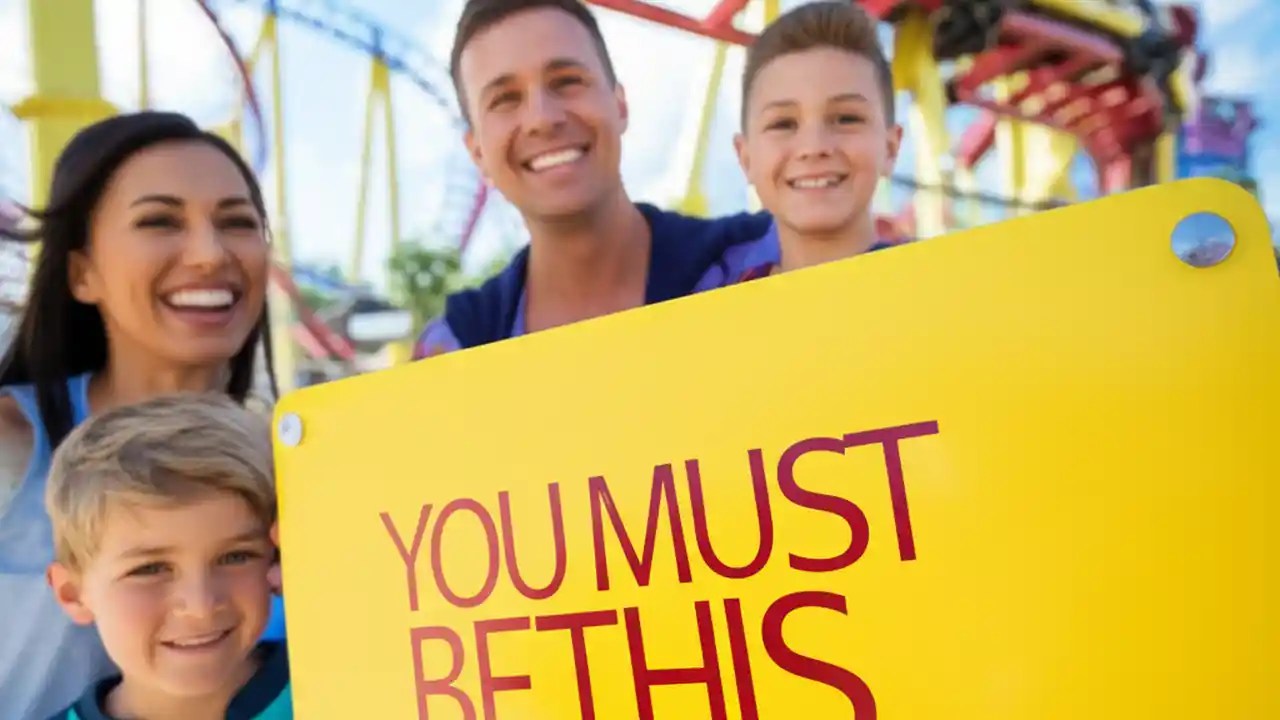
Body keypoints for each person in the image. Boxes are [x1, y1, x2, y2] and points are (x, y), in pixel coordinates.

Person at [0, 111, 277, 720]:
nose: (209, 254)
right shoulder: (11, 442)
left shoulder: (299, 463)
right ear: (81, 273)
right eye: (159, 221)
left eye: (236, 222)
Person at [413, 0, 775, 358]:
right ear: (477, 154)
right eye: (505, 99)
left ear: (620, 105)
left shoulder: (766, 261)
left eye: (567, 81)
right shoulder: (453, 349)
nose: (542, 118)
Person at [42, 393, 290, 720]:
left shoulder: (352, 681)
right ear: (72, 593)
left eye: (235, 557)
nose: (200, 605)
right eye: (150, 568)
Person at [731, 0, 903, 283]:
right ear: (745, 158)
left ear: (890, 148)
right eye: (783, 124)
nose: (814, 147)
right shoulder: (704, 302)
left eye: (847, 119)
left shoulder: (947, 292)